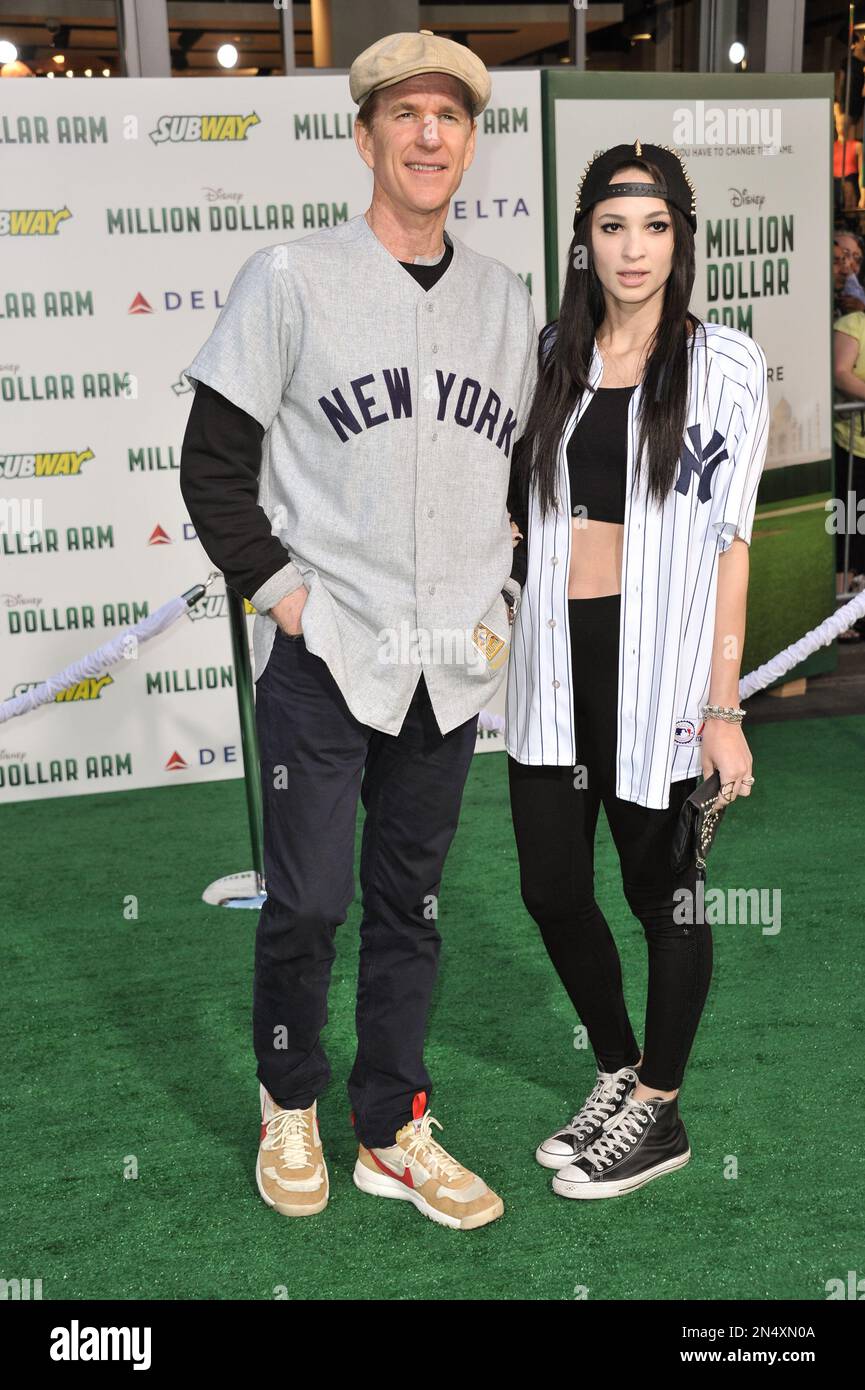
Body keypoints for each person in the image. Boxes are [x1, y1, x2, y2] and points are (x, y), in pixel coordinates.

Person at [179, 29, 537, 1230]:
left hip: (447, 669)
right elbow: (213, 470)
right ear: (366, 135)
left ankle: (391, 1125)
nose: (431, 134)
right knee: (310, 900)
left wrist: (502, 598)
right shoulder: (290, 276)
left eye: (451, 116)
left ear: (469, 144)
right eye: (407, 114)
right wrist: (287, 598)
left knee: (410, 906)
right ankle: (290, 1100)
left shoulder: (505, 298)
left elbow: (521, 474)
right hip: (327, 657)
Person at [505, 141, 769, 1199]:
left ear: (681, 240)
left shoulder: (725, 365)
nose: (633, 247)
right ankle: (616, 1068)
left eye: (655, 226)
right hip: (552, 666)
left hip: (656, 660)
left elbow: (730, 542)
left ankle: (659, 1107)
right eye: (614, 226)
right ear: (584, 238)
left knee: (664, 894)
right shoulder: (548, 352)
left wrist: (722, 703)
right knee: (550, 885)